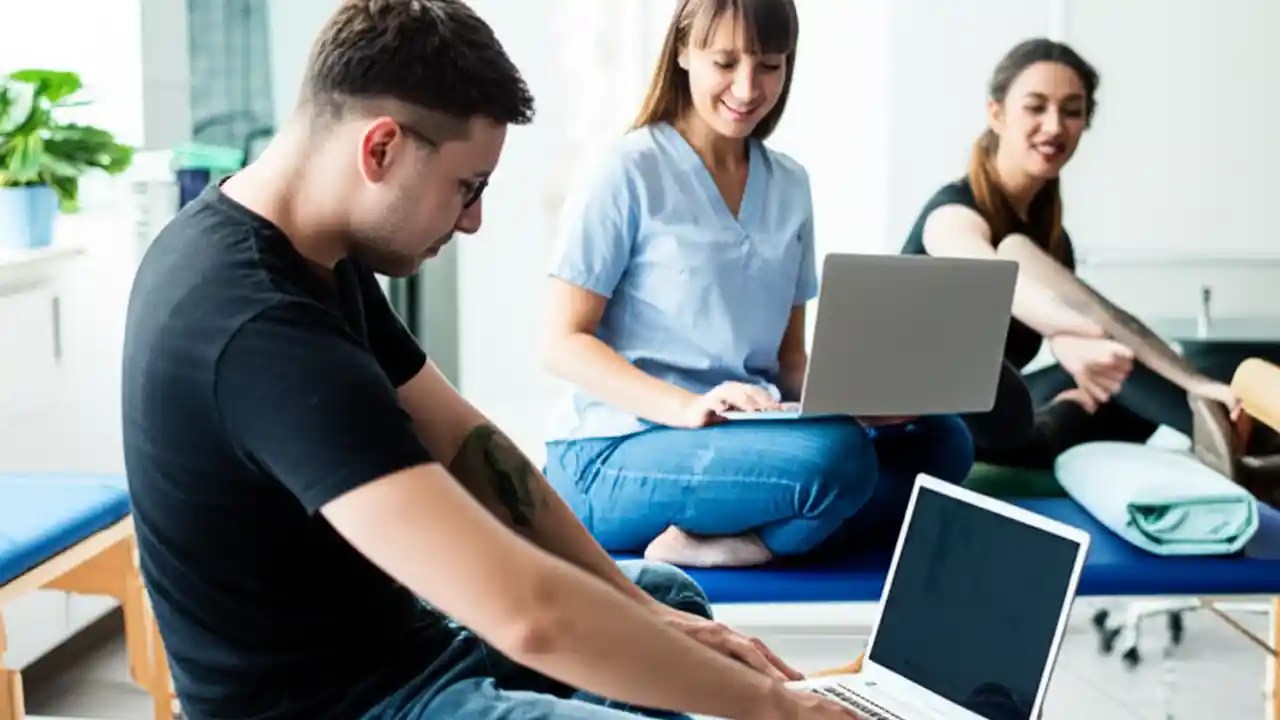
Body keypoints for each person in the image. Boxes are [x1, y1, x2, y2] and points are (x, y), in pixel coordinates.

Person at [120, 2, 858, 719]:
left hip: (408, 644)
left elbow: (467, 443)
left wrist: (641, 614)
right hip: (352, 702)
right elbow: (528, 617)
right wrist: (777, 711)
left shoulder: (307, 248)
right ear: (380, 149)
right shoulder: (257, 328)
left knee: (665, 597)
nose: (473, 221)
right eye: (467, 189)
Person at [541, 0, 974, 570]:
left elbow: (788, 362)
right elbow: (562, 343)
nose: (747, 87)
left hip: (745, 434)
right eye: (725, 61)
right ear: (683, 53)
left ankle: (752, 536)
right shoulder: (627, 170)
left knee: (943, 443)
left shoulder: (790, 184)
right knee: (838, 461)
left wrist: (855, 401)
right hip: (615, 451)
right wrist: (689, 406)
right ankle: (770, 540)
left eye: (769, 65)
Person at [902, 38, 1239, 468]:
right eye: (1036, 107)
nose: (1055, 125)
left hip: (1003, 405)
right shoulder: (952, 214)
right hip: (935, 420)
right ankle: (1074, 416)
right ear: (997, 113)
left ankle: (1225, 432)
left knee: (1123, 381)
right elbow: (994, 282)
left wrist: (1196, 383)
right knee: (1018, 255)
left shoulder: (1054, 240)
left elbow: (1108, 319)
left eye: (1072, 110)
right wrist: (1068, 335)